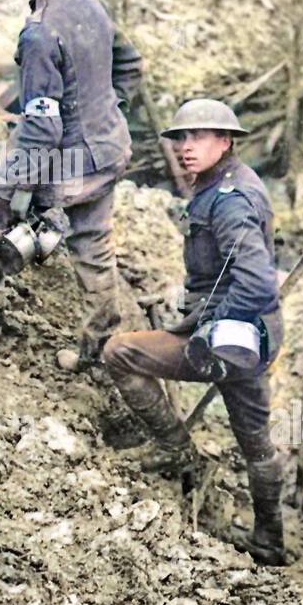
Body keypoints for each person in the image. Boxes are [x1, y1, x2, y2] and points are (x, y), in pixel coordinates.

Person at [101, 99, 288, 565]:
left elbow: (258, 281)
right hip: (254, 336)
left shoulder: (229, 201)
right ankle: (269, 541)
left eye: (199, 137)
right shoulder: (224, 183)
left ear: (225, 142)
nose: (186, 148)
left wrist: (211, 325)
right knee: (255, 439)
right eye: (182, 138)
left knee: (120, 353)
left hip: (230, 337)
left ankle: (176, 451)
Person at [0, 0, 142, 352]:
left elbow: (41, 130)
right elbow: (130, 65)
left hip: (70, 158)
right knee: (93, 246)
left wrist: (23, 194)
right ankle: (98, 347)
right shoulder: (90, 2)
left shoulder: (38, 35)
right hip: (110, 150)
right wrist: (109, 114)